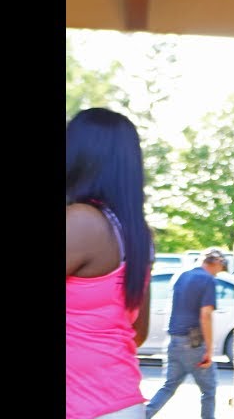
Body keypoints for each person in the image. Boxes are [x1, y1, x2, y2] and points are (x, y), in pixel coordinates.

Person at [67, 108, 155, 419]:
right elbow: (137, 331)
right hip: (120, 402)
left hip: (83, 406)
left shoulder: (81, 222)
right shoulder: (137, 234)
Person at [144, 248, 228, 419]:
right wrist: (209, 350)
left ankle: (143, 415)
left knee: (169, 386)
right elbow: (205, 315)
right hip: (194, 344)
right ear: (216, 262)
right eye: (222, 266)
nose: (221, 271)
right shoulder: (207, 280)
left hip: (174, 341)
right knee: (209, 390)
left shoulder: (181, 276)